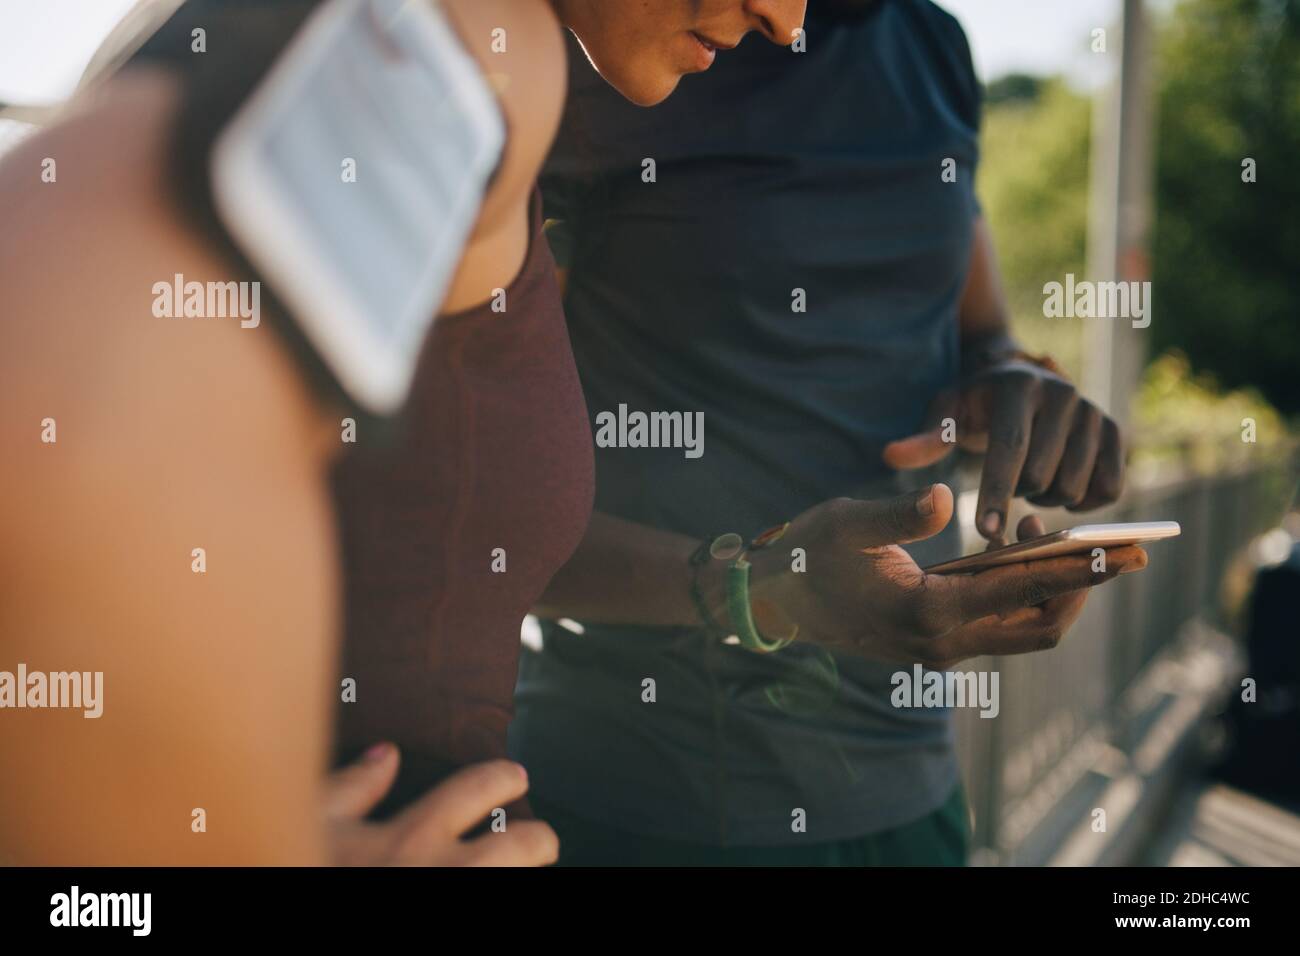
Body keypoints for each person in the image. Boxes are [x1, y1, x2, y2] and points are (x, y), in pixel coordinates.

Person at [0, 0, 808, 864]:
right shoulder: (480, 35)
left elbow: (426, 546)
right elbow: (47, 409)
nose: (785, 18)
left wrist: (744, 587)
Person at [511, 0, 1137, 865]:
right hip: (652, 802)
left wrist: (1012, 381)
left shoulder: (932, 44)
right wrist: (762, 589)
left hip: (912, 789)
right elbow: (475, 506)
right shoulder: (602, 46)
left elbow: (977, 325)